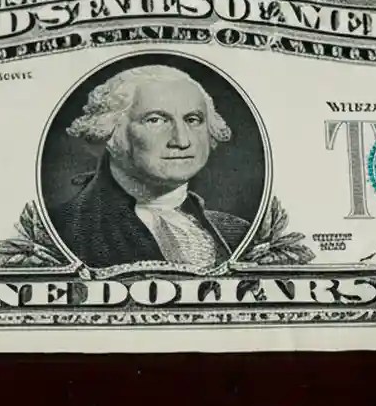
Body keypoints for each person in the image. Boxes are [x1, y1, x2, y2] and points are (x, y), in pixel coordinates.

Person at [48, 64, 251, 269]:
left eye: (193, 119)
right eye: (156, 120)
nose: (182, 141)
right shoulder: (58, 232)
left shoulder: (237, 232)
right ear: (110, 132)